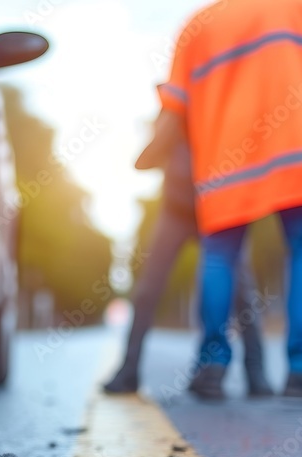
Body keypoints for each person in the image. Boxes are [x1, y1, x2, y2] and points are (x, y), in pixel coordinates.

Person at [144, 0, 302, 403]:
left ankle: (211, 364)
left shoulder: (197, 25)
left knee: (220, 256)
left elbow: (175, 107)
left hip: (225, 161)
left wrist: (147, 156)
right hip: (298, 148)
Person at [104, 139, 273, 397]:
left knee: (151, 288)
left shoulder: (182, 100)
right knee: (239, 288)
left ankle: (130, 369)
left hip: (202, 201)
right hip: (198, 202)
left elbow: (145, 160)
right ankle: (255, 374)